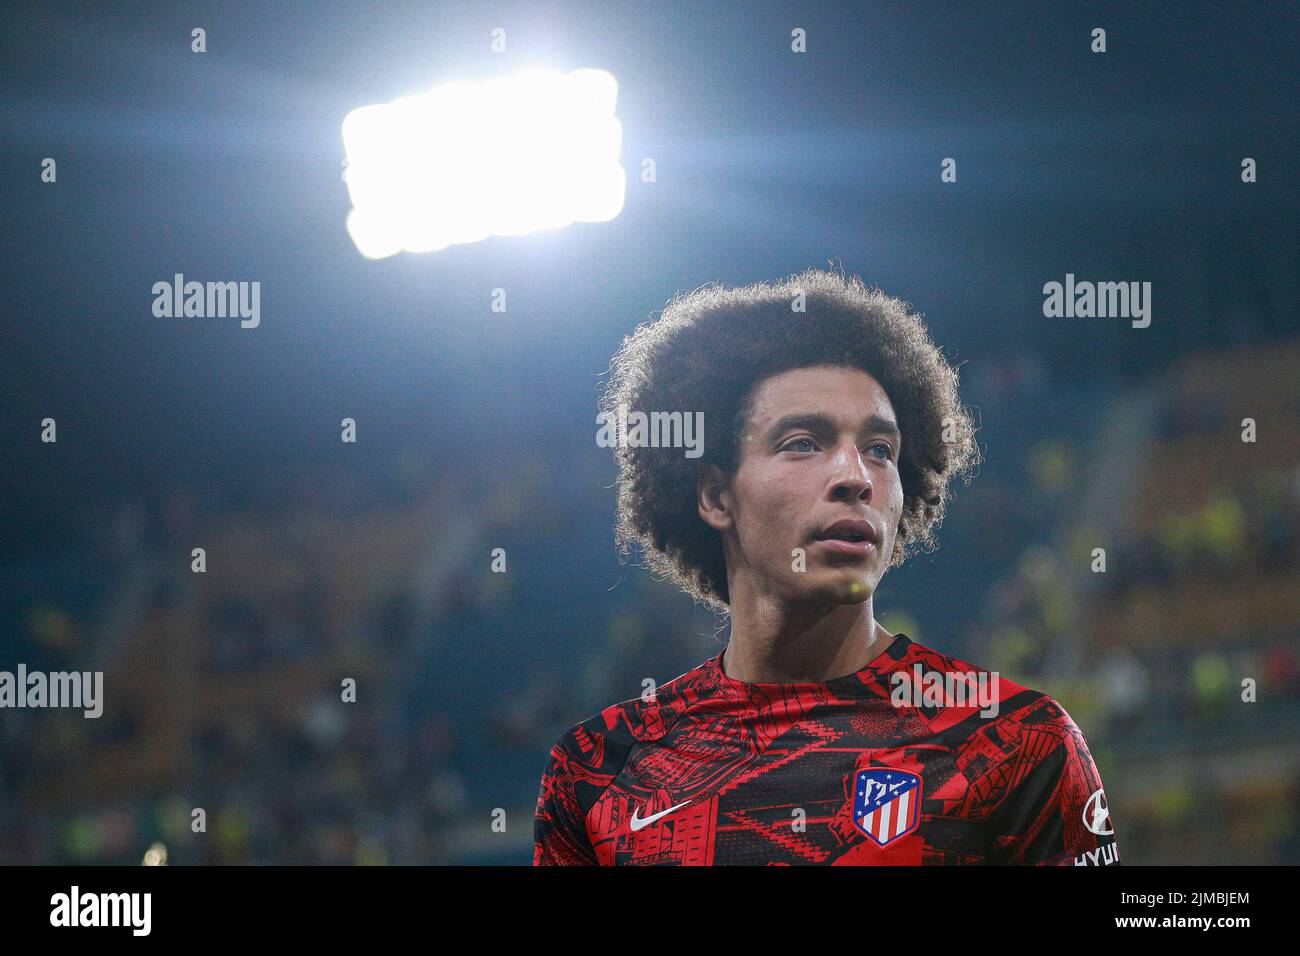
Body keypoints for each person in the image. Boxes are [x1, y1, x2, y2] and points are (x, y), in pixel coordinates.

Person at [533, 267, 1119, 865]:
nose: (855, 477)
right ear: (715, 497)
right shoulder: (597, 770)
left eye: (880, 450)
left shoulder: (1017, 742)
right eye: (803, 443)